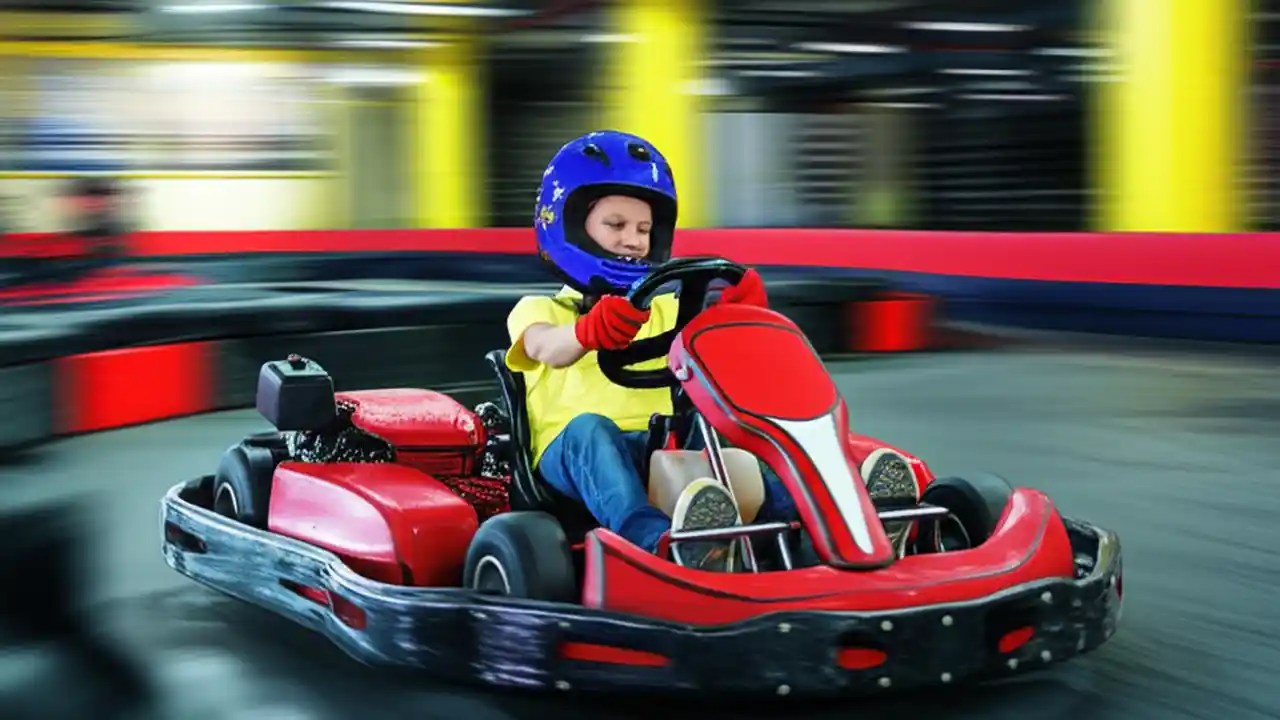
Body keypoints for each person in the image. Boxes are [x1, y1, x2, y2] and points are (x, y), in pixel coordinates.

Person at [504, 130, 798, 573]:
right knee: (592, 430)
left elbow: (717, 356)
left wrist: (738, 315)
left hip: (661, 440)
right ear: (567, 224)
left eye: (644, 229)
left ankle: (799, 519)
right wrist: (587, 332)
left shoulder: (661, 307)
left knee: (720, 423)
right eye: (616, 225)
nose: (633, 240)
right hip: (569, 454)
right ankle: (651, 540)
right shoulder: (540, 309)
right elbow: (546, 346)